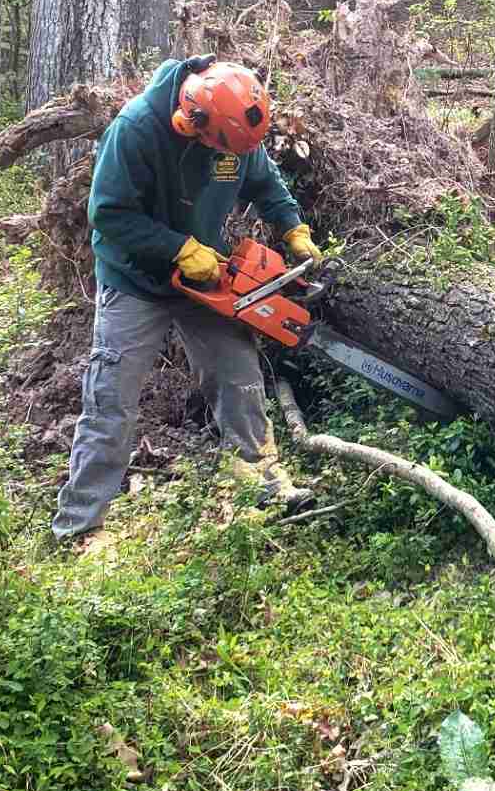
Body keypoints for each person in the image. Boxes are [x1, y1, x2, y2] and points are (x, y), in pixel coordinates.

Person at [51, 55, 321, 543]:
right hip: (133, 279)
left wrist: (293, 226)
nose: (232, 157)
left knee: (239, 375)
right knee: (111, 396)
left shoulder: (234, 133)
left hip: (204, 275)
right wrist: (176, 248)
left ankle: (262, 484)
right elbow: (108, 214)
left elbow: (264, 182)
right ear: (192, 119)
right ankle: (80, 525)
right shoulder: (137, 129)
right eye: (223, 147)